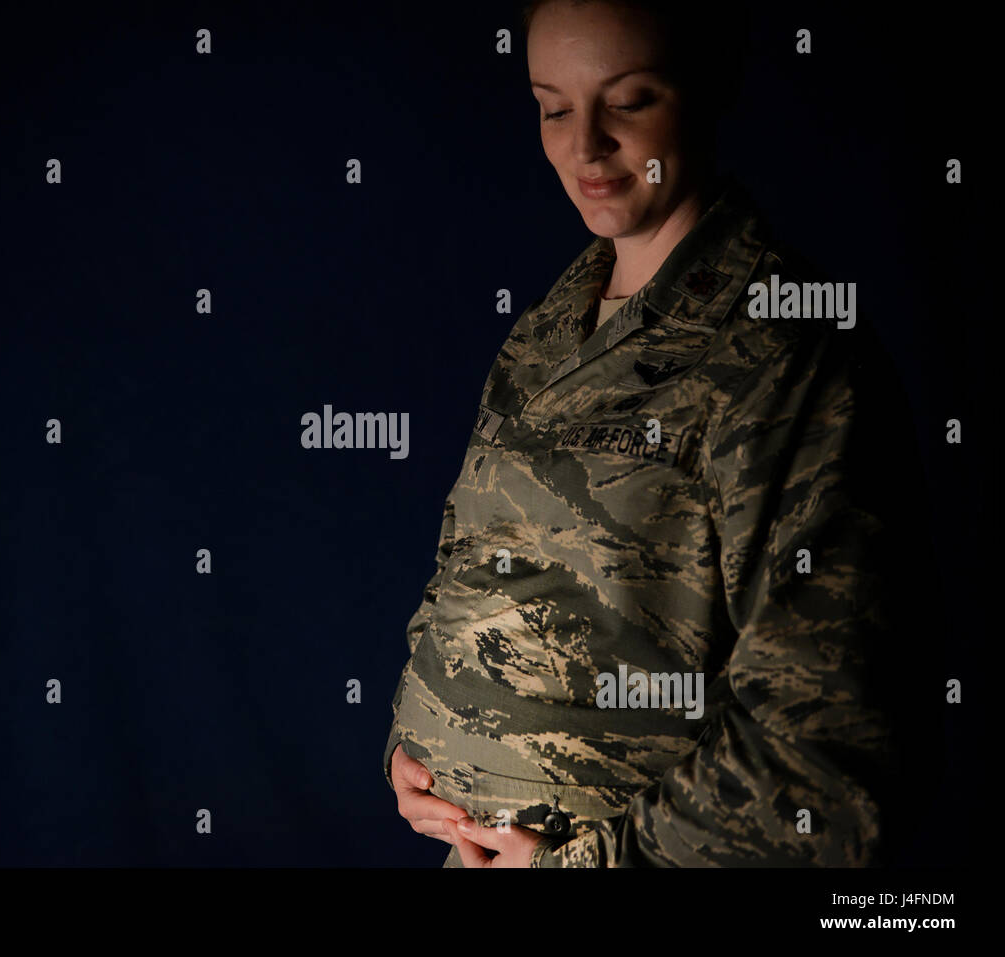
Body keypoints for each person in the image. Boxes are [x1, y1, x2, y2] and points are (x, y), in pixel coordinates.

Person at [382, 0, 933, 867]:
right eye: (553, 107)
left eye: (629, 100)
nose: (585, 144)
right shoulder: (551, 327)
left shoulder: (783, 354)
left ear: (708, 91)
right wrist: (416, 749)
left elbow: (820, 757)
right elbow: (470, 558)